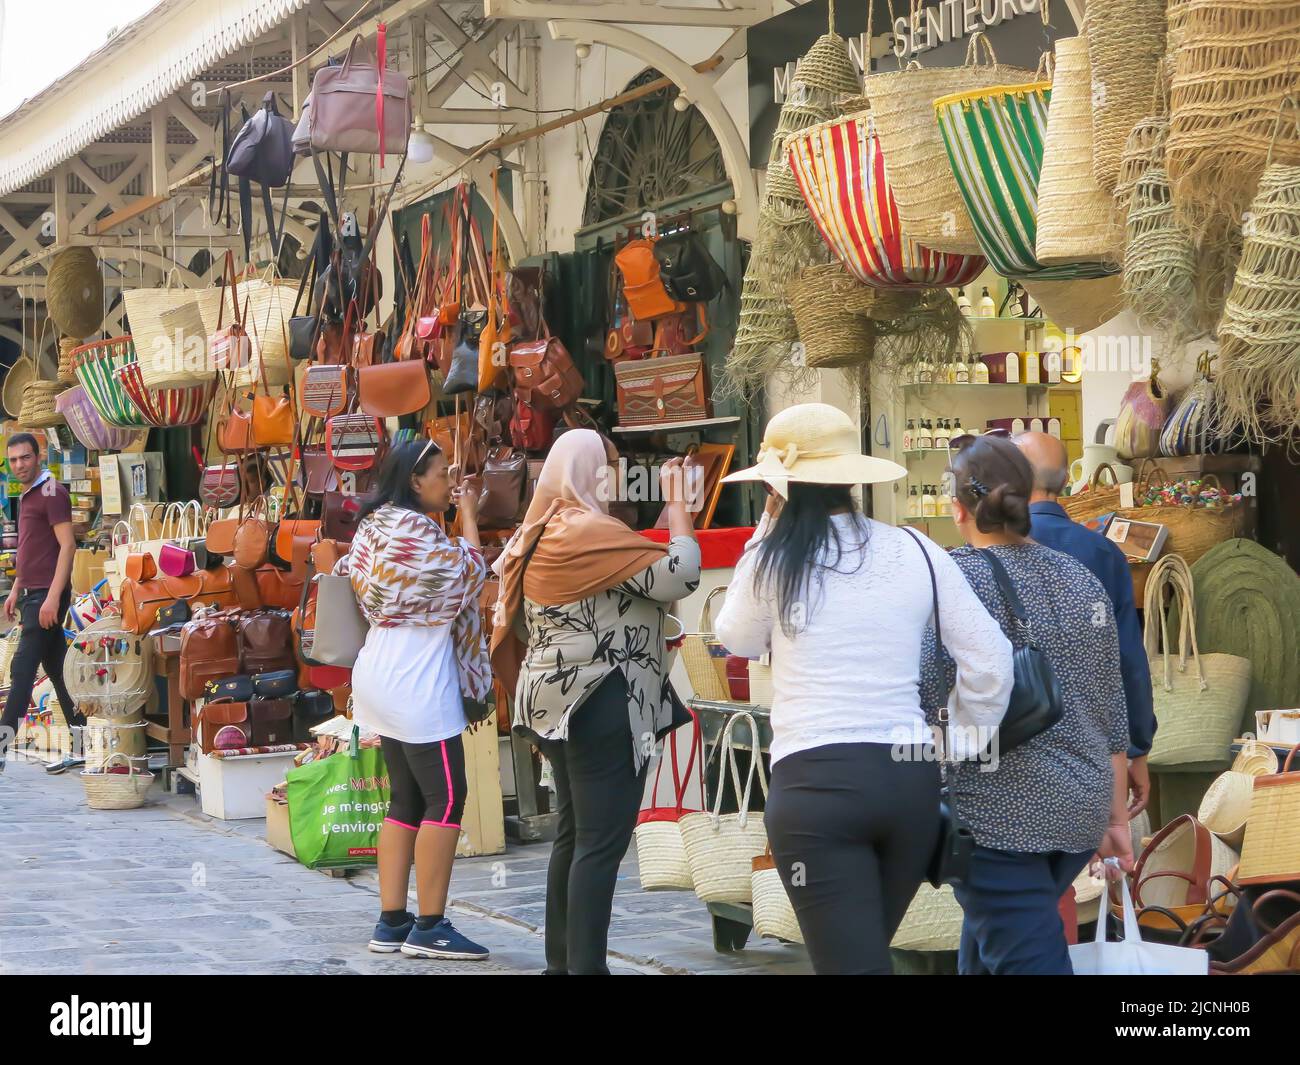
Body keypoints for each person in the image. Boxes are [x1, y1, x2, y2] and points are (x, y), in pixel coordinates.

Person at [713, 404, 1014, 975]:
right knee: (861, 956)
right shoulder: (918, 550)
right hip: (907, 782)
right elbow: (993, 659)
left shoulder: (776, 559)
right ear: (853, 477)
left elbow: (737, 638)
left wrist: (766, 527)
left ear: (779, 486)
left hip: (815, 789)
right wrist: (961, 741)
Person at [920, 434, 1135, 975]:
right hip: (1079, 808)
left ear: (959, 508)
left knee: (1025, 958)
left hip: (1000, 815)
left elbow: (924, 690)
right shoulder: (1079, 576)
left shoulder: (957, 579)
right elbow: (1110, 706)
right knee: (990, 947)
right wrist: (1114, 817)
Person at [491, 429, 700, 975]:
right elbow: (683, 573)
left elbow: (635, 578)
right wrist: (679, 509)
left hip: (552, 703)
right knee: (602, 843)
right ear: (586, 471)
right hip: (600, 702)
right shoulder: (587, 533)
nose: (617, 475)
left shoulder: (542, 530)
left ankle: (561, 964)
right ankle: (586, 968)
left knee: (575, 833)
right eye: (609, 465)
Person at [335, 439, 492, 960]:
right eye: (443, 474)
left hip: (379, 668)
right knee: (446, 797)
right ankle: (430, 926)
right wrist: (469, 516)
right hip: (418, 678)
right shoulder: (418, 531)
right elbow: (469, 576)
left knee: (405, 798)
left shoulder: (374, 525)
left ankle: (391, 921)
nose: (451, 482)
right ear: (415, 482)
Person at [1013, 431, 1156, 816]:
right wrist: (1137, 748)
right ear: (1065, 481)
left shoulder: (992, 549)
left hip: (1013, 749)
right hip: (1090, 747)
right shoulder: (1103, 552)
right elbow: (1128, 658)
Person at [0, 433, 81, 774]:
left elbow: (67, 546)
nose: (19, 464)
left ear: (38, 456)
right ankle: (82, 745)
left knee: (21, 674)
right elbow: (33, 547)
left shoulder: (51, 491)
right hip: (34, 592)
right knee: (60, 672)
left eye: (25, 457)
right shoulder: (29, 494)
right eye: (14, 460)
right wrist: (17, 585)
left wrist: (51, 597)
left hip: (46, 596)